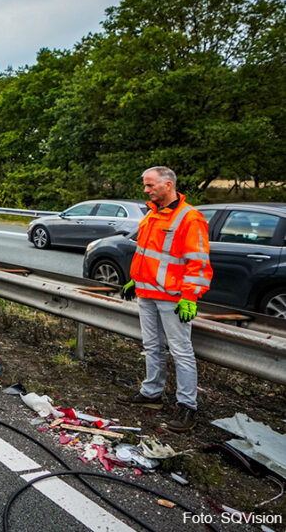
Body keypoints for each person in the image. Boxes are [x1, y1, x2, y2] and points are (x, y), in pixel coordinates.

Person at [116, 166, 212, 433]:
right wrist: (135, 279)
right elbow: (146, 253)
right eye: (145, 185)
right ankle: (151, 393)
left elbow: (198, 262)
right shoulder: (153, 214)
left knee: (181, 351)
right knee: (152, 346)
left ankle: (187, 407)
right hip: (146, 292)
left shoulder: (189, 217)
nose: (146, 190)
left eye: (150, 185)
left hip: (173, 298)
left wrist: (190, 295)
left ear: (168, 185)